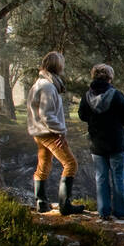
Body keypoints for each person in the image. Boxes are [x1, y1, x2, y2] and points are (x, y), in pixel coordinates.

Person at [78, 63, 124, 220]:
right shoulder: (116, 95)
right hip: (116, 142)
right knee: (118, 176)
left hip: (96, 143)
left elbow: (82, 115)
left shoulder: (87, 96)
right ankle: (122, 210)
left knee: (100, 177)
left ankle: (103, 211)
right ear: (110, 78)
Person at [26, 51, 78, 215]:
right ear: (58, 66)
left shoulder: (39, 84)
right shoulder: (48, 86)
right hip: (49, 133)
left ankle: (41, 202)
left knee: (43, 165)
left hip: (39, 133)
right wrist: (61, 131)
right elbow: (47, 115)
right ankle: (65, 205)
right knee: (70, 164)